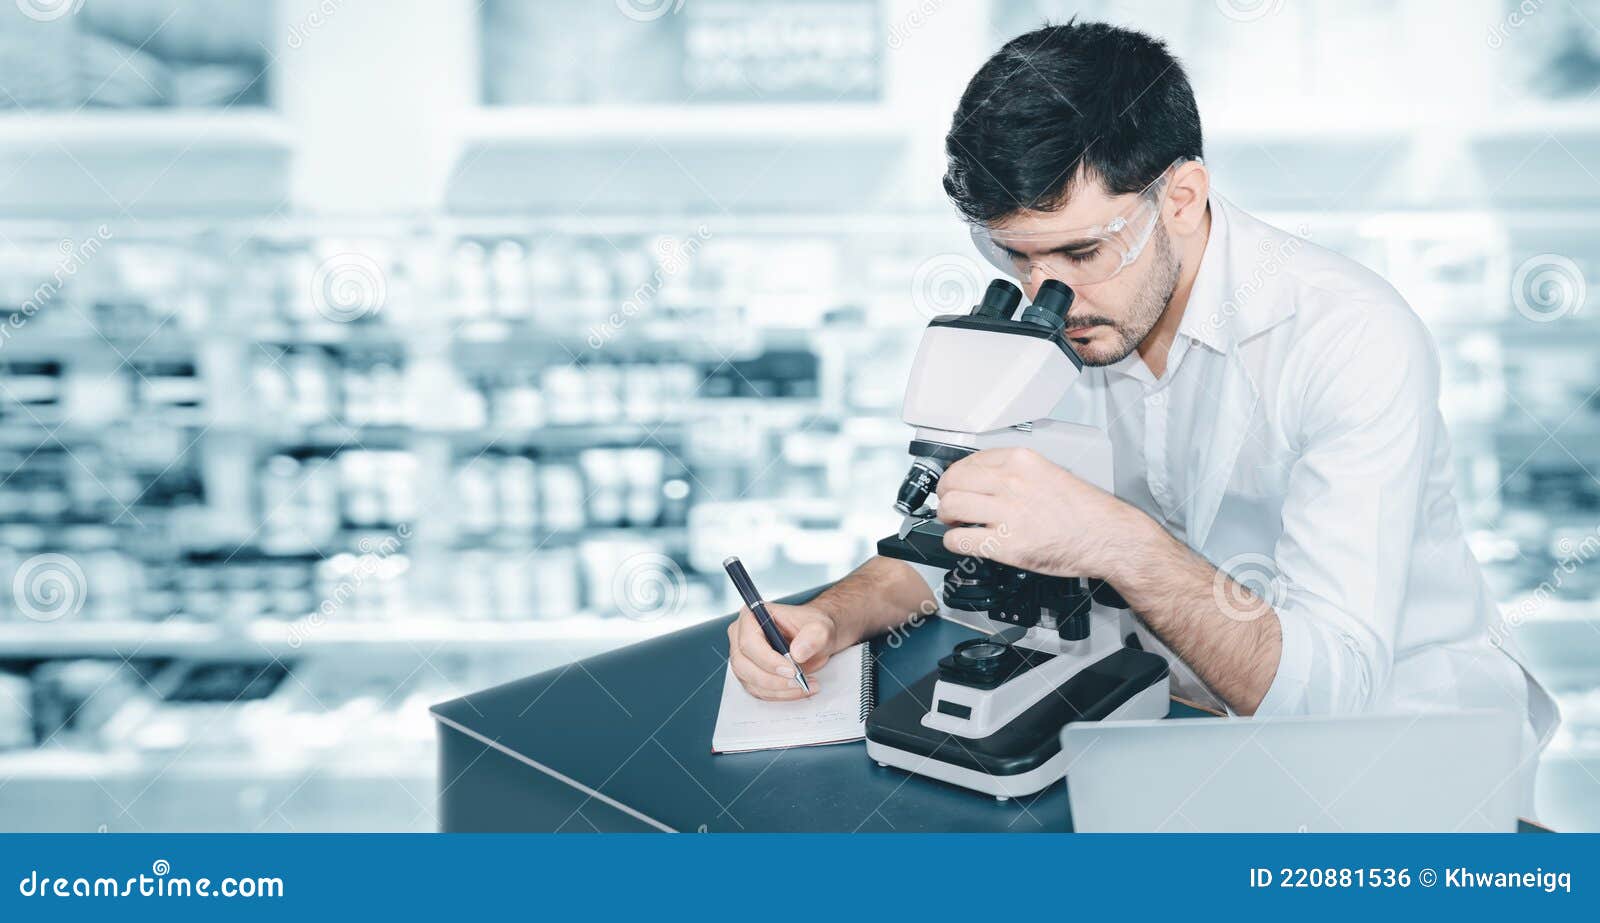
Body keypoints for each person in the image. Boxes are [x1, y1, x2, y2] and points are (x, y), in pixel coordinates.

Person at [726, 20, 1557, 797]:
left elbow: (1322, 694)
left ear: (1184, 197)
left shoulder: (1347, 337)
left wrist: (1115, 539)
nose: (1052, 293)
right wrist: (830, 617)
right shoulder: (1069, 328)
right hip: (1177, 725)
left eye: (1084, 251)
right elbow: (952, 546)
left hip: (1399, 756)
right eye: (1014, 255)